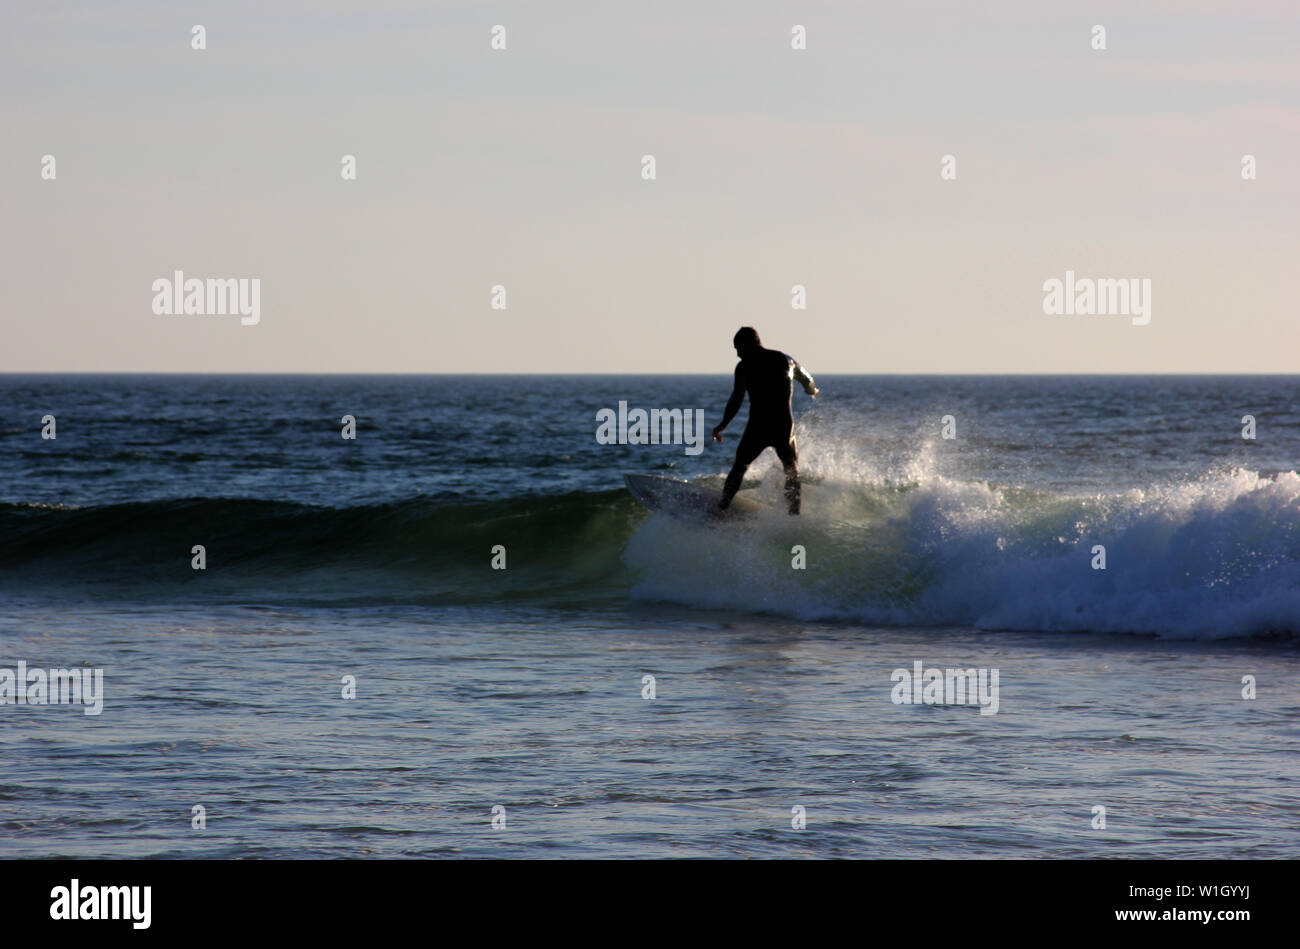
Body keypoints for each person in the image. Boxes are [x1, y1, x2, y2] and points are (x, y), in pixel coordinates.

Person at [712, 327, 818, 515]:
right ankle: (793, 516)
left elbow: (736, 399)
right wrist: (812, 390)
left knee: (740, 467)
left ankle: (721, 508)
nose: (737, 355)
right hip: (783, 427)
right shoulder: (785, 360)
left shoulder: (744, 366)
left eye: (738, 349)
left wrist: (722, 425)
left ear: (746, 345)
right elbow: (806, 379)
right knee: (791, 470)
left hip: (758, 427)